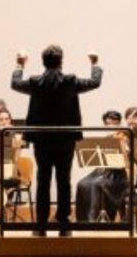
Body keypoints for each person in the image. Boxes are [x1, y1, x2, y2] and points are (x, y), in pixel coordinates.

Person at [10, 45, 102, 236]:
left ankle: (41, 224)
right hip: (65, 139)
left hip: (42, 140)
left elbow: (15, 83)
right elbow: (95, 82)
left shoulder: (35, 82)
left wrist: (20, 65)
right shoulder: (70, 81)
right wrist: (95, 63)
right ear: (61, 62)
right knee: (64, 180)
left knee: (43, 180)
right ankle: (64, 222)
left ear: (43, 62)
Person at [75, 110, 129, 222]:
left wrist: (123, 146)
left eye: (115, 122)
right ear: (105, 123)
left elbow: (126, 157)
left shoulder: (124, 136)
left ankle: (93, 218)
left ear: (119, 123)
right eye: (109, 123)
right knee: (82, 184)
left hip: (117, 174)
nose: (112, 125)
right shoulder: (103, 136)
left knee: (96, 184)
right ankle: (82, 219)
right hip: (102, 171)